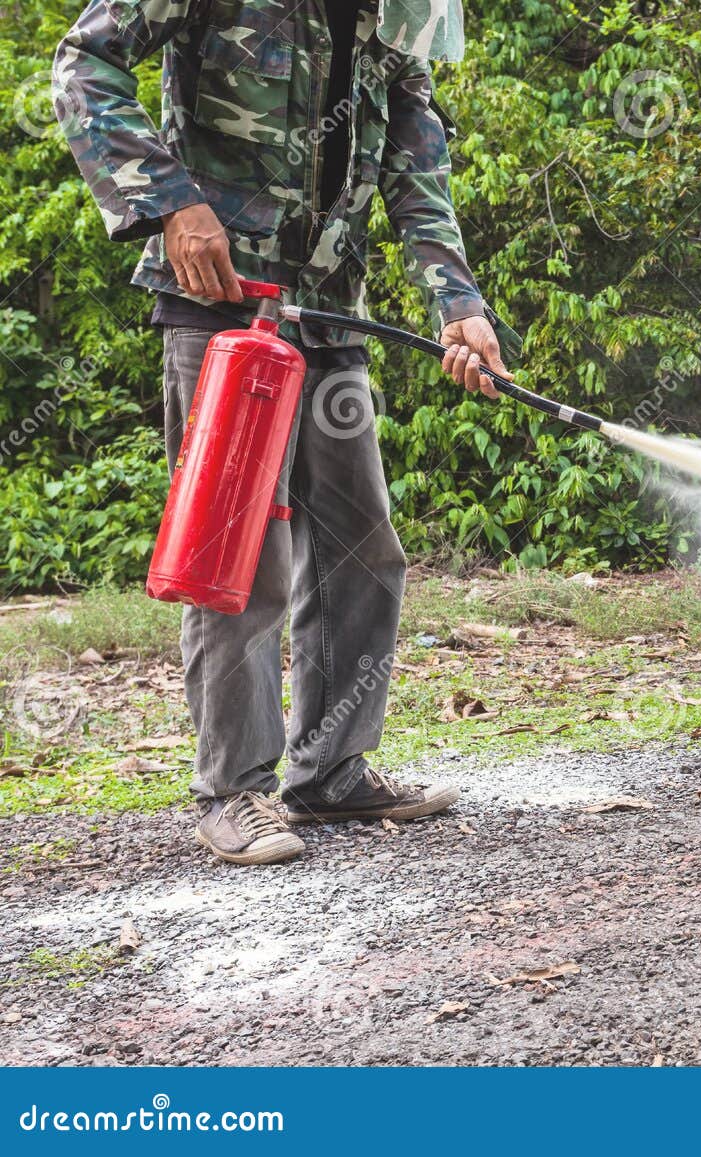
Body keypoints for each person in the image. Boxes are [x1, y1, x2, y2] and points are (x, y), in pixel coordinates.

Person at [53, 0, 502, 864]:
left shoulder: (391, 13)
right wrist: (170, 202)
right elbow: (83, 63)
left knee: (363, 548)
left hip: (331, 311)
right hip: (225, 304)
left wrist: (457, 300)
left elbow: (416, 149)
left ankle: (330, 771)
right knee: (239, 551)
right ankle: (235, 789)